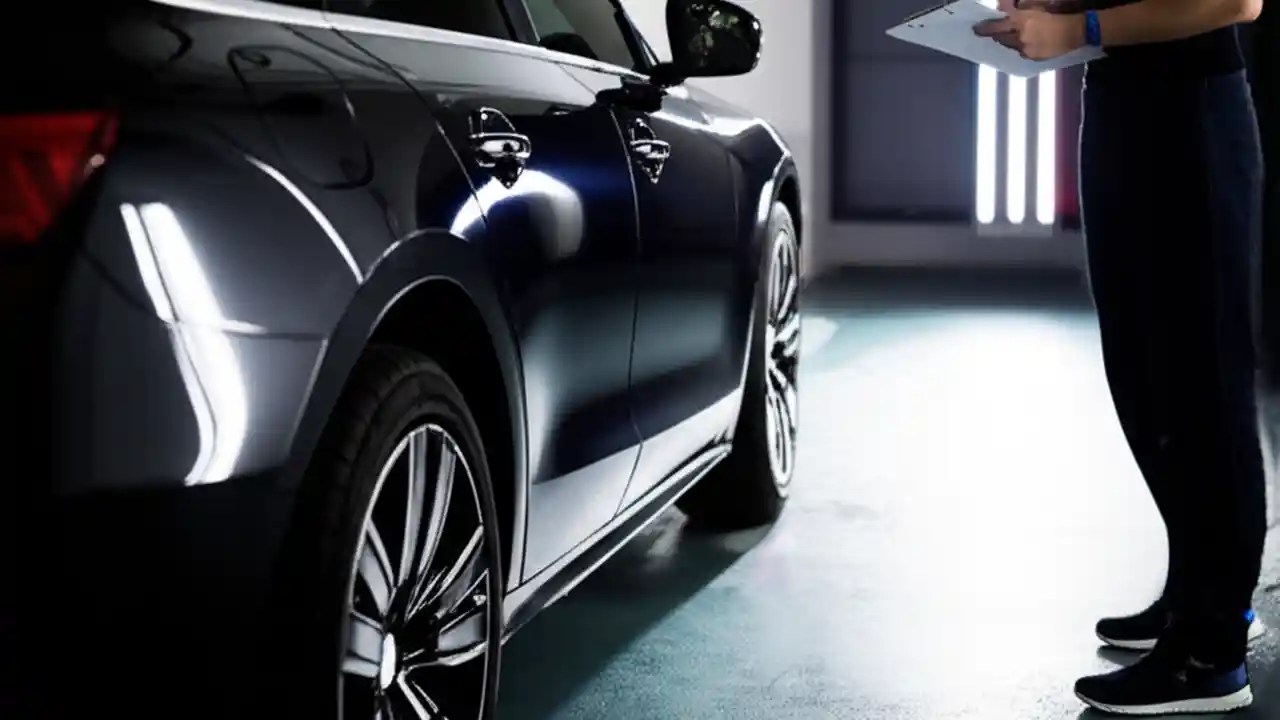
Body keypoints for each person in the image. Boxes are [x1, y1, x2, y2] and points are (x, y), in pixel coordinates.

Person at [975, 0, 1268, 715]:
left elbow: (1236, 1)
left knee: (1203, 383)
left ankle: (1211, 653)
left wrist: (1077, 30)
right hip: (1120, 103)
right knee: (1146, 379)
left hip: (1191, 113)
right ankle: (1194, 595)